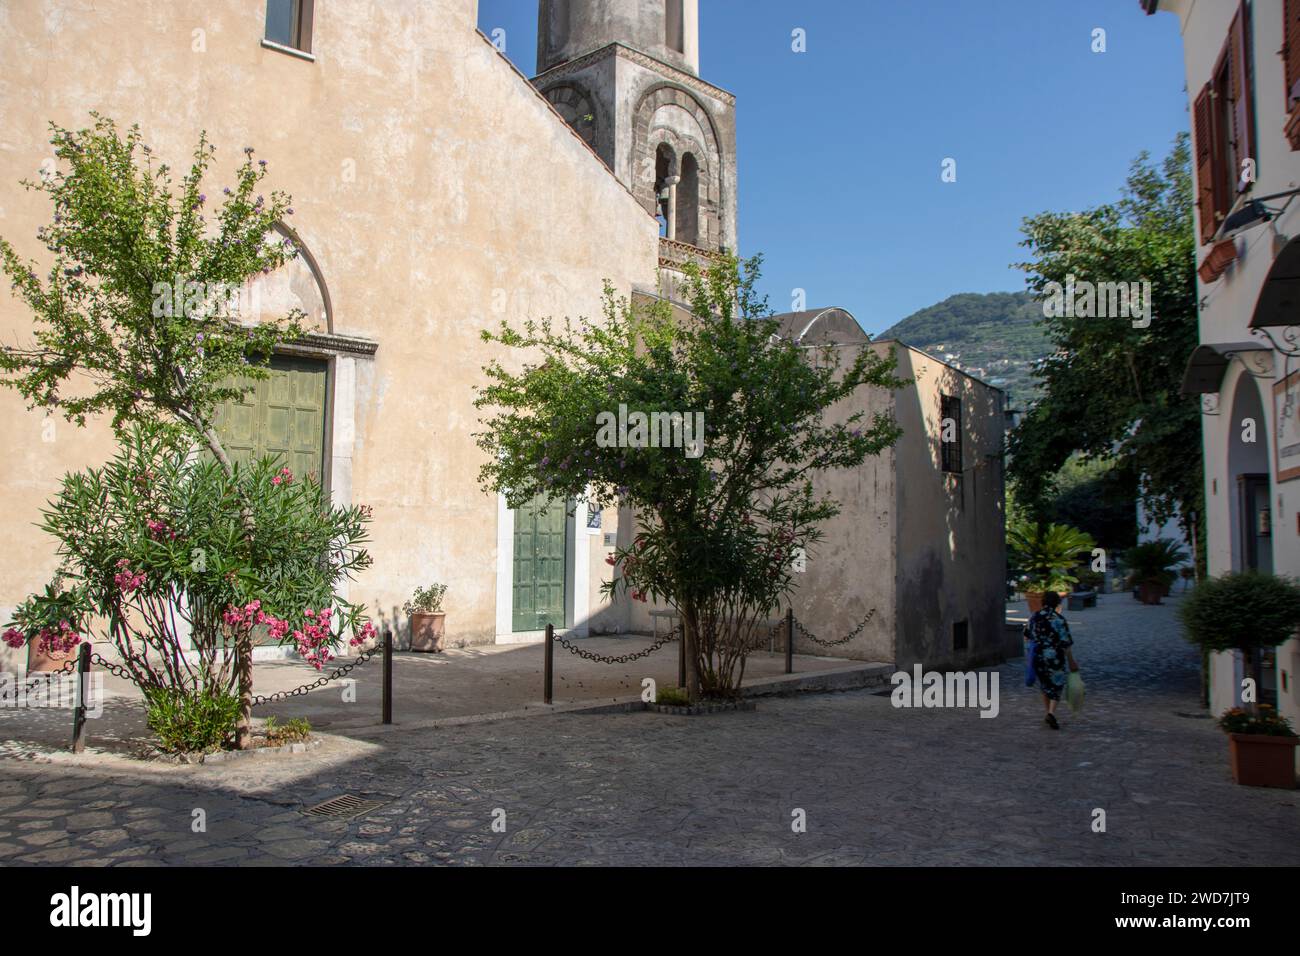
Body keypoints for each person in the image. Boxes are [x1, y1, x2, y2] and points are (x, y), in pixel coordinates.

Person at [1024, 591, 1078, 729]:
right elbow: (1066, 643)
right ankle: (1051, 712)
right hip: (1055, 657)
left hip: (1038, 656)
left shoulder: (1034, 617)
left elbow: (1027, 636)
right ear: (1057, 604)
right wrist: (1071, 661)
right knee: (1057, 685)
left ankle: (1048, 712)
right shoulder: (1059, 619)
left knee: (1045, 684)